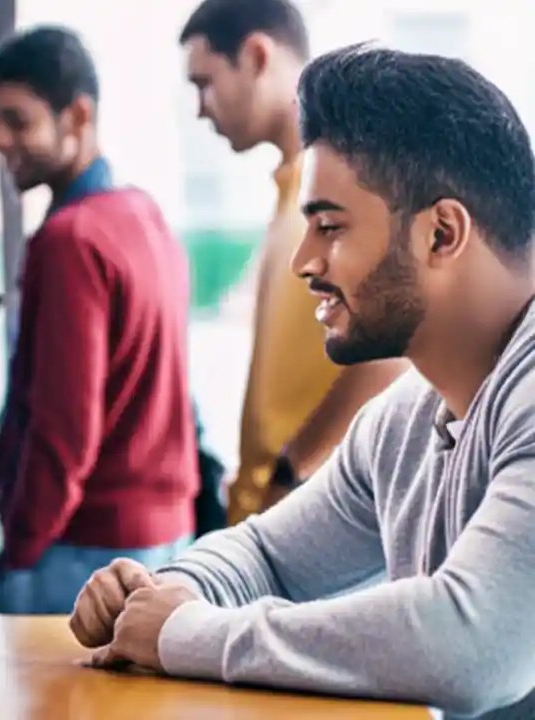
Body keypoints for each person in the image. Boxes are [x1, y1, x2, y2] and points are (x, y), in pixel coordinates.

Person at [70, 44, 535, 720]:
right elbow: (266, 555)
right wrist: (160, 593)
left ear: (441, 233)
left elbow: (471, 646)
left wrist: (184, 632)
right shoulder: (404, 421)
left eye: (329, 226)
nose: (303, 260)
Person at [0, 26, 198, 615]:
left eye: (17, 120)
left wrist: (19, 552)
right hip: (164, 542)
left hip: (81, 553)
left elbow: (62, 429)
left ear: (77, 116)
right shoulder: (144, 215)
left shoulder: (69, 239)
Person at [179, 0, 406, 522]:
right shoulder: (293, 191)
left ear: (258, 56)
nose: (200, 108)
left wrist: (293, 473)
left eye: (205, 82)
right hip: (272, 521)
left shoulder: (348, 189)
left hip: (311, 520)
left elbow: (392, 351)